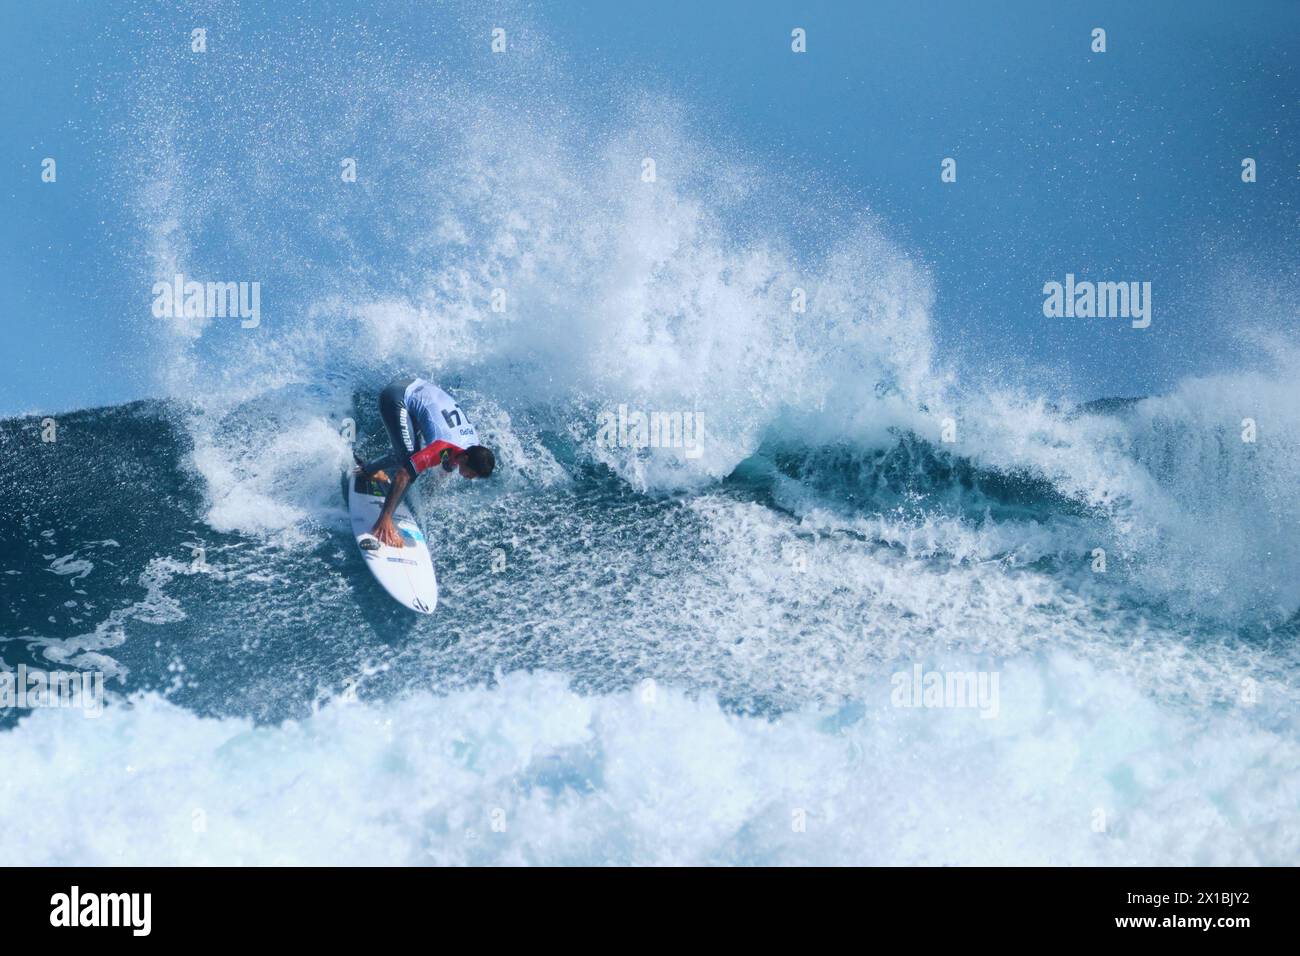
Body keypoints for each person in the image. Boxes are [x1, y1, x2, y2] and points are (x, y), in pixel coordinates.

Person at [356, 378, 495, 548]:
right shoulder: (444, 446)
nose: (469, 478)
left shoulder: (471, 447)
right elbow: (404, 473)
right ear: (465, 459)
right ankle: (378, 504)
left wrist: (424, 499)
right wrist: (387, 517)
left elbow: (446, 468)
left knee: (413, 458)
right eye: (471, 474)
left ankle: (372, 470)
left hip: (419, 390)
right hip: (398, 396)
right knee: (408, 461)